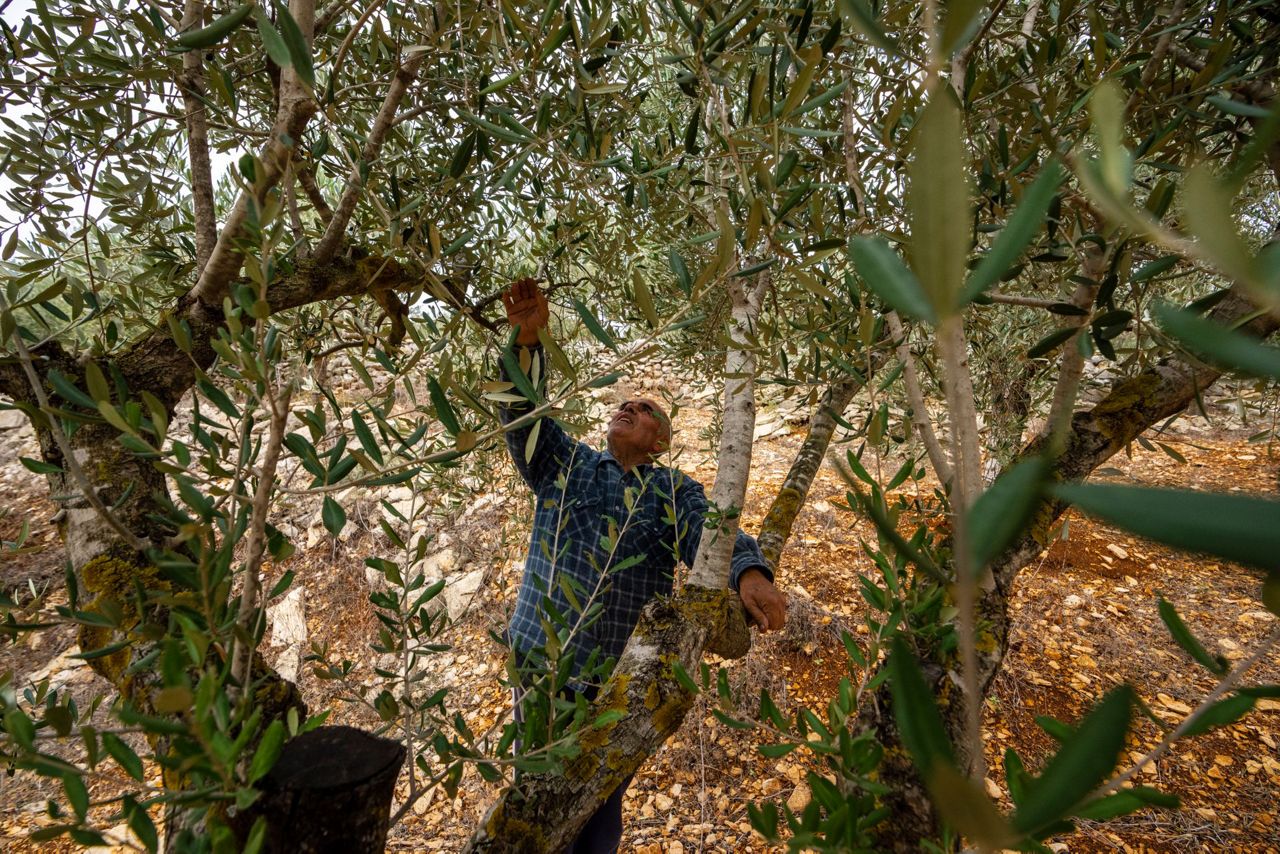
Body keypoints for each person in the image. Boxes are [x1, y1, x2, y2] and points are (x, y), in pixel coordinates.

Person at [497, 278, 786, 853]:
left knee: (597, 814)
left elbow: (712, 533)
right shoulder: (568, 464)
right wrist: (526, 341)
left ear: (661, 443)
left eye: (647, 409)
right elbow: (520, 414)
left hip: (613, 687)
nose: (629, 406)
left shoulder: (670, 491)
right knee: (534, 800)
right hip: (540, 668)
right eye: (625, 402)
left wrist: (749, 572)